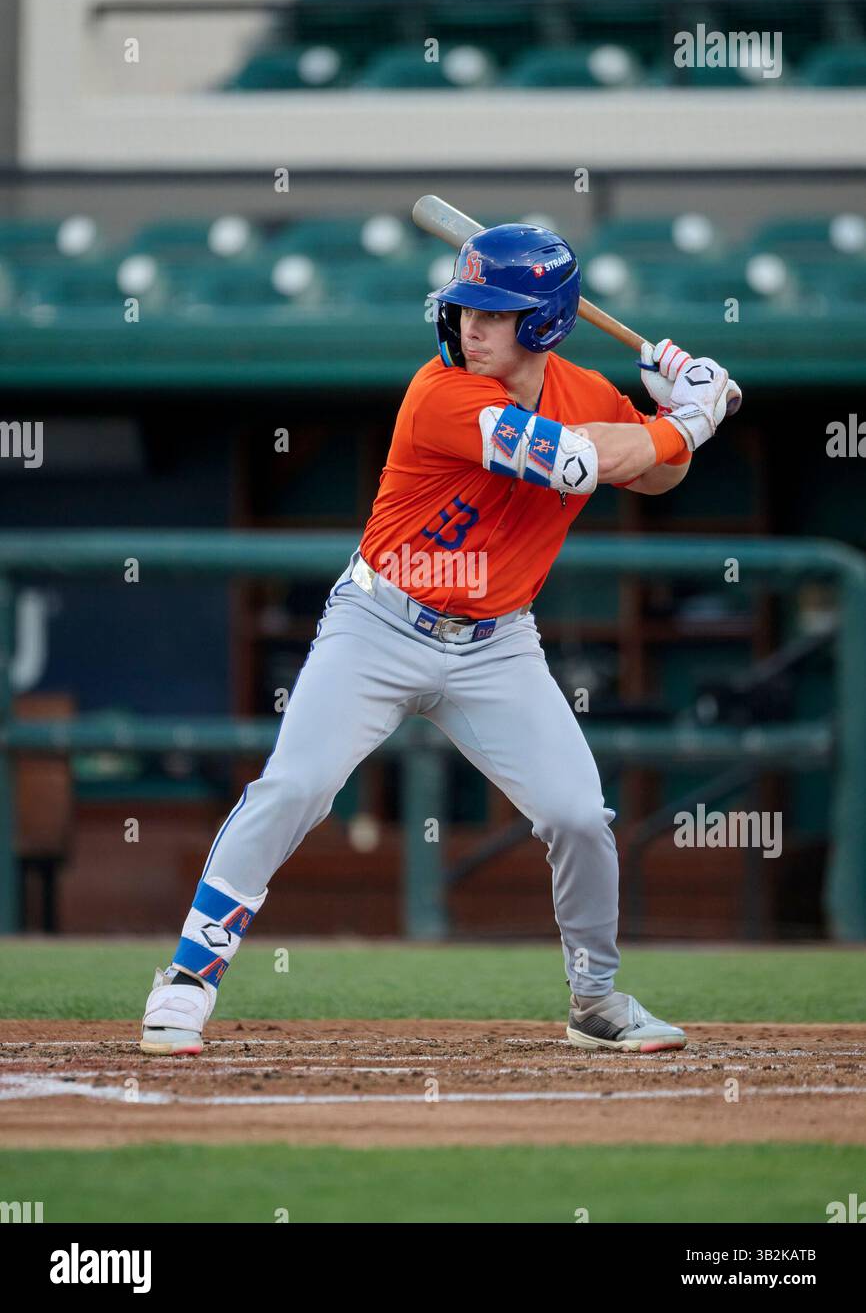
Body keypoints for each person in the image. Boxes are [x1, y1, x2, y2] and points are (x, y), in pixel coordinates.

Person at [140, 222, 741, 1057]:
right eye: (464, 309)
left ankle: (596, 1001)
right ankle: (187, 981)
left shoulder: (588, 394)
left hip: (497, 643)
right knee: (297, 786)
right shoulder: (441, 394)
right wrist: (695, 421)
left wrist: (681, 406)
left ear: (543, 324)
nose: (471, 326)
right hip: (380, 624)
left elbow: (653, 469)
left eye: (494, 314)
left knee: (577, 816)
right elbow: (571, 462)